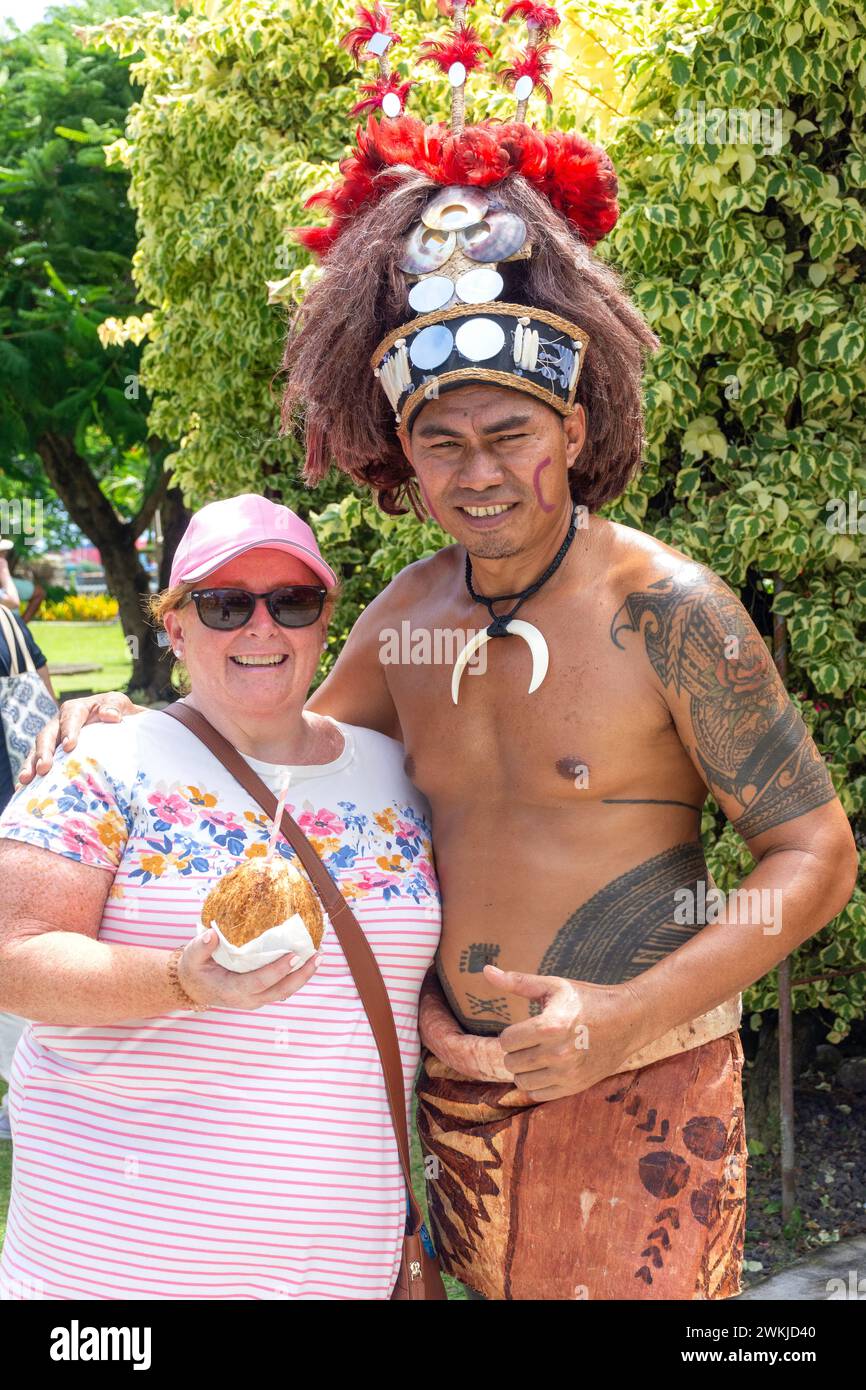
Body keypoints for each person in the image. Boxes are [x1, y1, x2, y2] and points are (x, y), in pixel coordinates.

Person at [21, 2, 858, 1299]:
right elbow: (270, 744)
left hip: (636, 1095)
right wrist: (121, 729)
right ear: (400, 459)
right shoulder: (407, 618)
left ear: (572, 430)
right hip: (445, 1112)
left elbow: (811, 853)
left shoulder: (668, 609)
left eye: (509, 433)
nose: (481, 474)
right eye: (441, 442)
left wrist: (627, 1018)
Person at [0, 494, 440, 1300]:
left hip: (339, 1277)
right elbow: (12, 960)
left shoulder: (398, 774)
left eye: (292, 602)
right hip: (111, 1283)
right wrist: (178, 981)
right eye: (226, 604)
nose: (261, 627)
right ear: (174, 627)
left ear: (324, 622)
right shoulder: (102, 764)